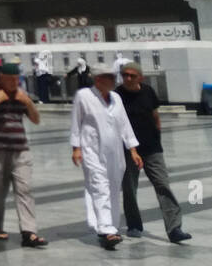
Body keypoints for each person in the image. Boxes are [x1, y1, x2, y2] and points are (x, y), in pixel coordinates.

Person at [0, 62, 47, 248]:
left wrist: (28, 102)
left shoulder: (21, 93)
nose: (14, 82)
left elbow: (36, 120)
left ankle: (29, 232)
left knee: (25, 189)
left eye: (16, 78)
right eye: (10, 79)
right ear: (1, 78)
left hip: (20, 150)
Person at [116, 62, 190, 243]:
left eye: (132, 75)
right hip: (128, 150)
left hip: (152, 149)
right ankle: (134, 225)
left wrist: (157, 138)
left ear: (140, 77)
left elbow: (155, 117)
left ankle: (174, 228)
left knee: (163, 185)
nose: (128, 78)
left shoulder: (148, 91)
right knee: (129, 189)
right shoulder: (117, 95)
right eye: (125, 75)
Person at [71, 64, 142, 251]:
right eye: (109, 77)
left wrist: (133, 150)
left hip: (115, 152)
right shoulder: (84, 96)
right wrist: (76, 147)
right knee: (99, 185)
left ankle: (111, 226)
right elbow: (76, 123)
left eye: (113, 77)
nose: (113, 80)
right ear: (98, 79)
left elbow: (125, 125)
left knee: (113, 187)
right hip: (92, 150)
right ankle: (105, 228)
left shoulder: (117, 98)